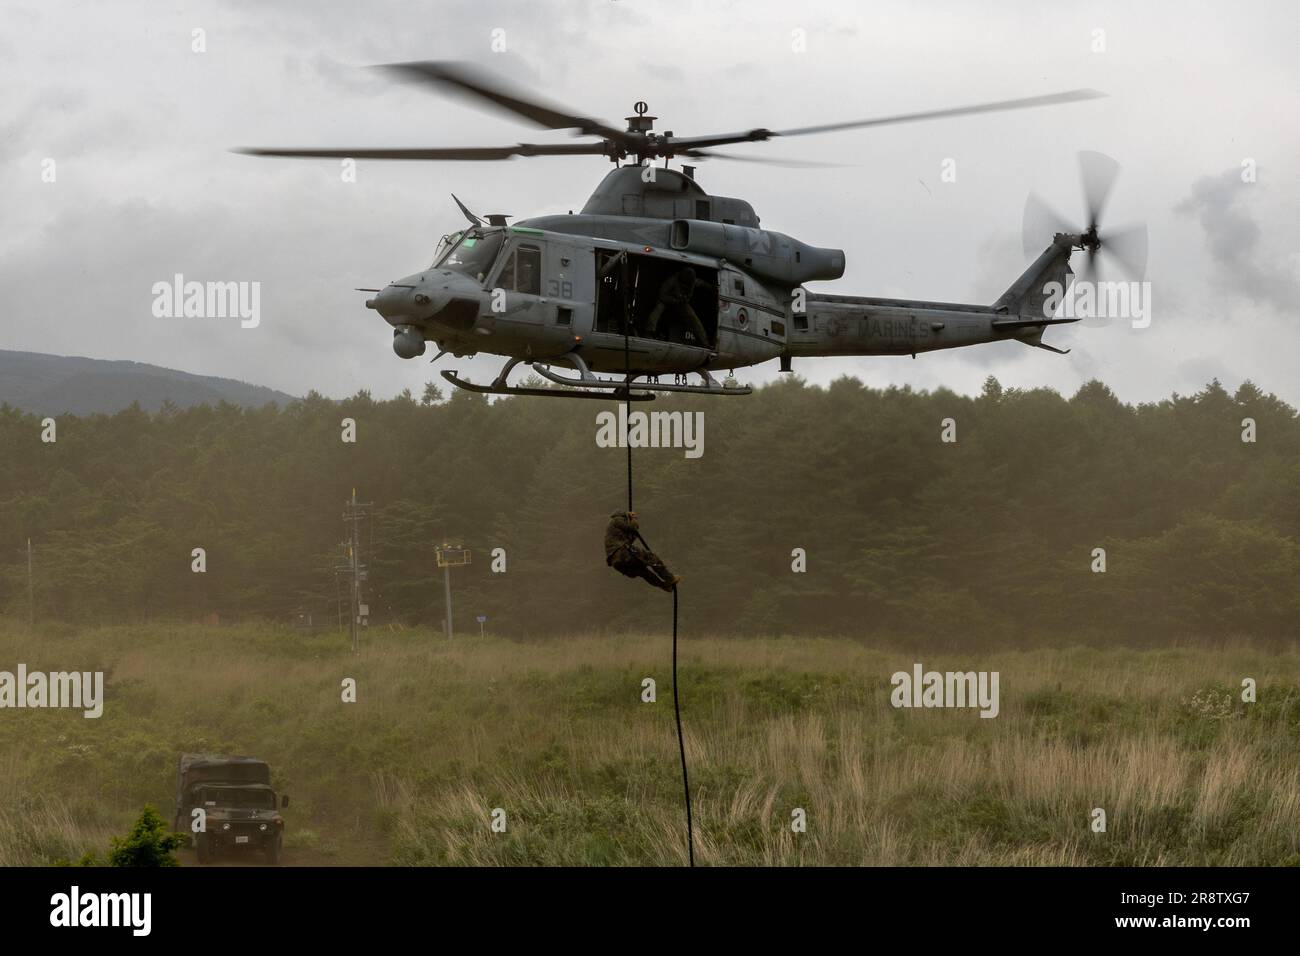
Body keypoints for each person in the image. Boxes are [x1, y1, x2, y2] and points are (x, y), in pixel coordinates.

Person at [604, 510, 679, 592]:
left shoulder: (614, 530)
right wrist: (633, 519)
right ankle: (669, 578)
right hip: (622, 552)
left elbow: (630, 537)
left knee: (643, 571)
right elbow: (632, 528)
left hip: (616, 562)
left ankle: (663, 585)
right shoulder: (617, 519)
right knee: (651, 557)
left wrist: (632, 525)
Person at [645, 266, 712, 348]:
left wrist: (712, 287)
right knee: (658, 308)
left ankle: (704, 342)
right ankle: (649, 331)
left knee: (693, 317)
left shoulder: (693, 282)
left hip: (681, 303)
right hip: (668, 301)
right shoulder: (671, 281)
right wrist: (675, 300)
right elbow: (662, 295)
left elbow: (702, 283)